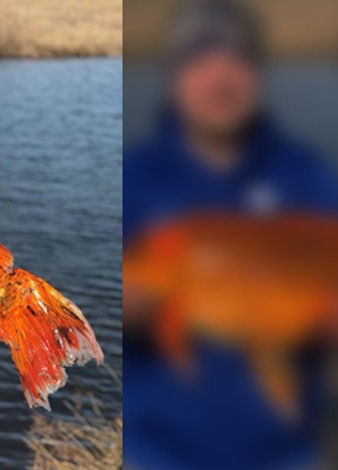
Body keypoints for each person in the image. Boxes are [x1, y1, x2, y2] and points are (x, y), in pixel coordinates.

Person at [123, 1, 338, 468]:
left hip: (286, 454)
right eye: (200, 61)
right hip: (158, 452)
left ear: (260, 73)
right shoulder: (134, 176)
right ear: (175, 74)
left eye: (237, 61)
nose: (219, 79)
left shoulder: (309, 175)